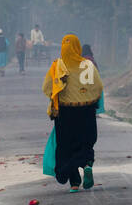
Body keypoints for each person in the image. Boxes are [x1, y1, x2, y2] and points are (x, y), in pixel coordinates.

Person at [41, 34, 104, 190]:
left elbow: (47, 88)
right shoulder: (88, 65)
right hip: (86, 111)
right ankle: (87, 164)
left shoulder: (57, 66)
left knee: (66, 145)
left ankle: (74, 183)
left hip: (65, 113)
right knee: (86, 141)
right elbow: (98, 86)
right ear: (77, 47)